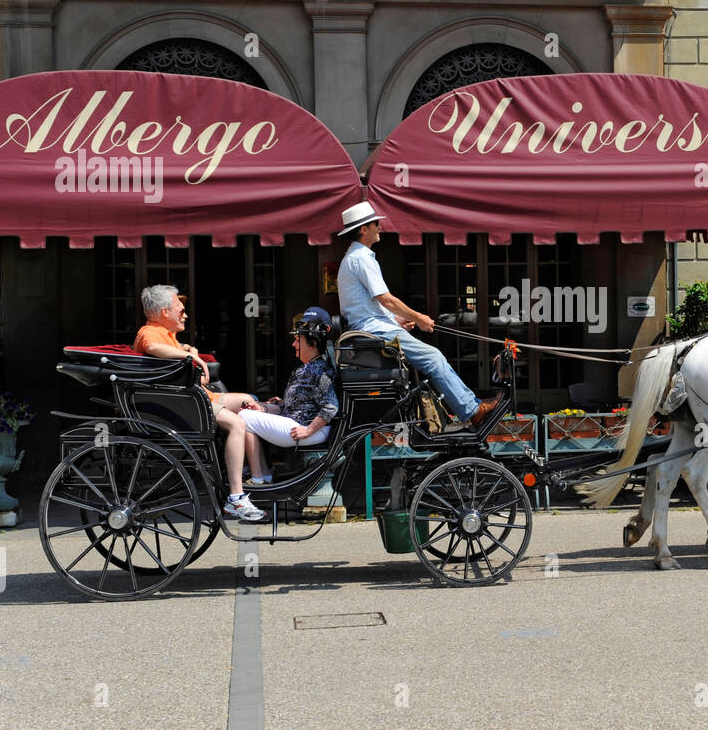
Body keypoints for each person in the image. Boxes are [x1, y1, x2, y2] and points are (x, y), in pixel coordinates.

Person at [335, 201, 501, 428]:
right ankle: (472, 410)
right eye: (375, 224)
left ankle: (464, 409)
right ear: (364, 229)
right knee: (433, 358)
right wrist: (419, 318)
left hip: (373, 328)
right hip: (376, 331)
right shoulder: (362, 258)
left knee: (431, 358)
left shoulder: (352, 258)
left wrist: (396, 320)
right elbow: (386, 299)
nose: (379, 228)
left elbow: (365, 306)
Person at [133, 284, 263, 522]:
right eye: (180, 309)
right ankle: (236, 497)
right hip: (184, 404)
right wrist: (190, 355)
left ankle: (258, 475)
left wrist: (186, 349)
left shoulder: (168, 335)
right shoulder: (149, 332)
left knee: (248, 401)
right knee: (236, 424)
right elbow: (151, 347)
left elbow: (168, 349)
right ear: (164, 312)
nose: (185, 314)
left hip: (195, 397)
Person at [240, 307, 340, 485]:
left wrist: (308, 430)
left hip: (307, 429)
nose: (293, 344)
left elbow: (330, 406)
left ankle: (258, 477)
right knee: (250, 410)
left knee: (244, 418)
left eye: (298, 339)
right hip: (299, 423)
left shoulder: (320, 370)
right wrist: (263, 408)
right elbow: (292, 406)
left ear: (313, 343)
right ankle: (265, 474)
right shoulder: (307, 367)